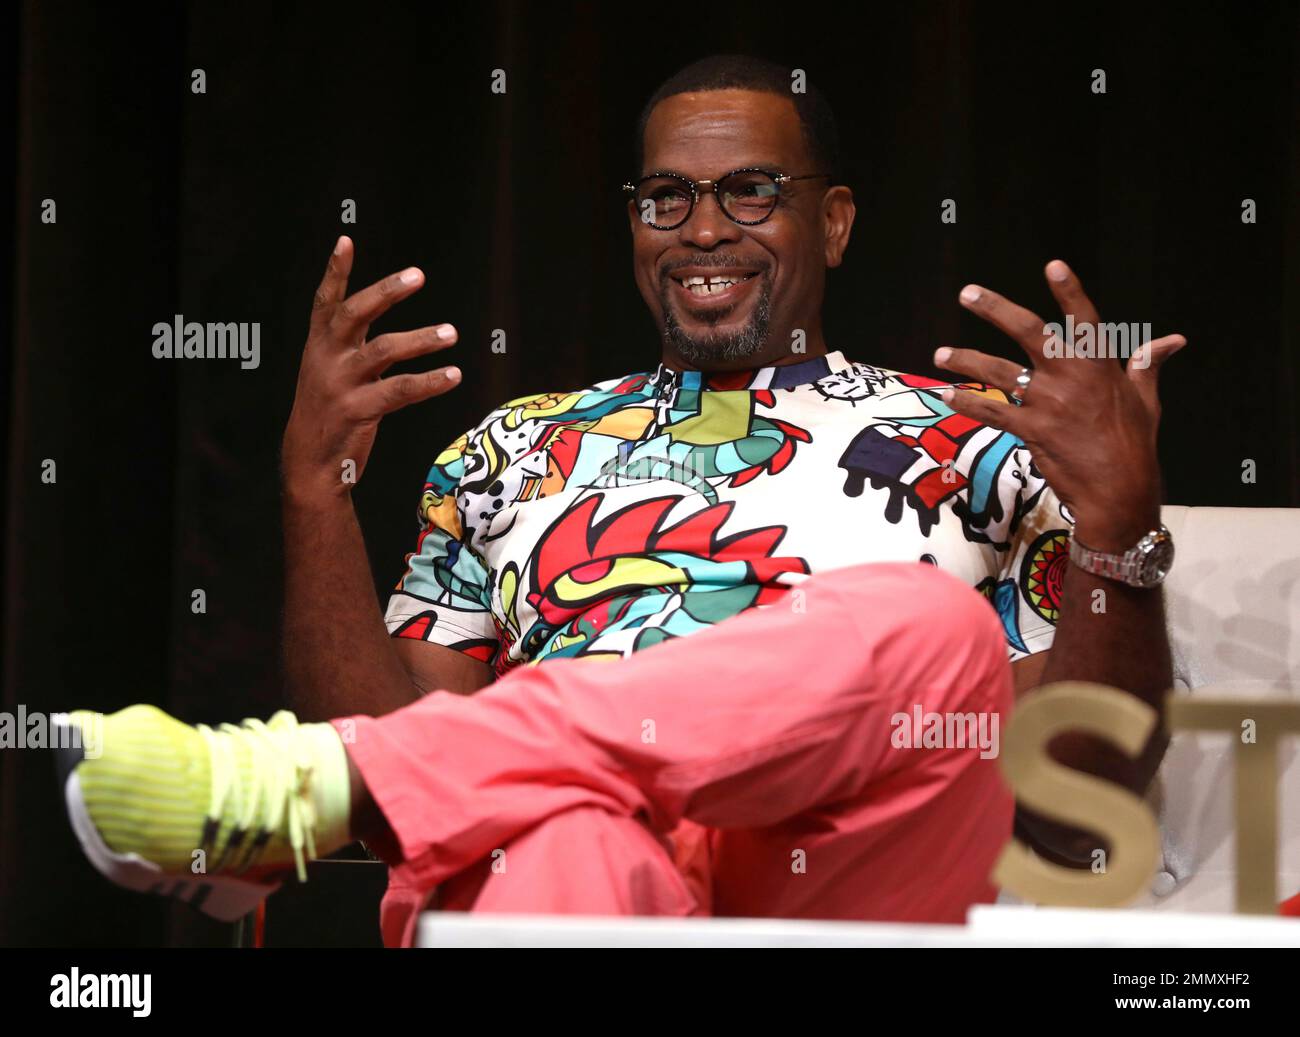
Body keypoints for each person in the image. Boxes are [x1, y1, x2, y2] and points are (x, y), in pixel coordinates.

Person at [55, 55, 1184, 946]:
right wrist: (313, 492)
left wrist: (1118, 529)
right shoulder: (508, 450)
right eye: (666, 197)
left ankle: (303, 791)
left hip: (844, 888)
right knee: (559, 824)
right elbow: (409, 737)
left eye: (751, 191)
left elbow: (1081, 789)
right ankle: (364, 784)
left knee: (927, 624)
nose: (701, 229)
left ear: (833, 221)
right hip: (572, 870)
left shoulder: (981, 441)